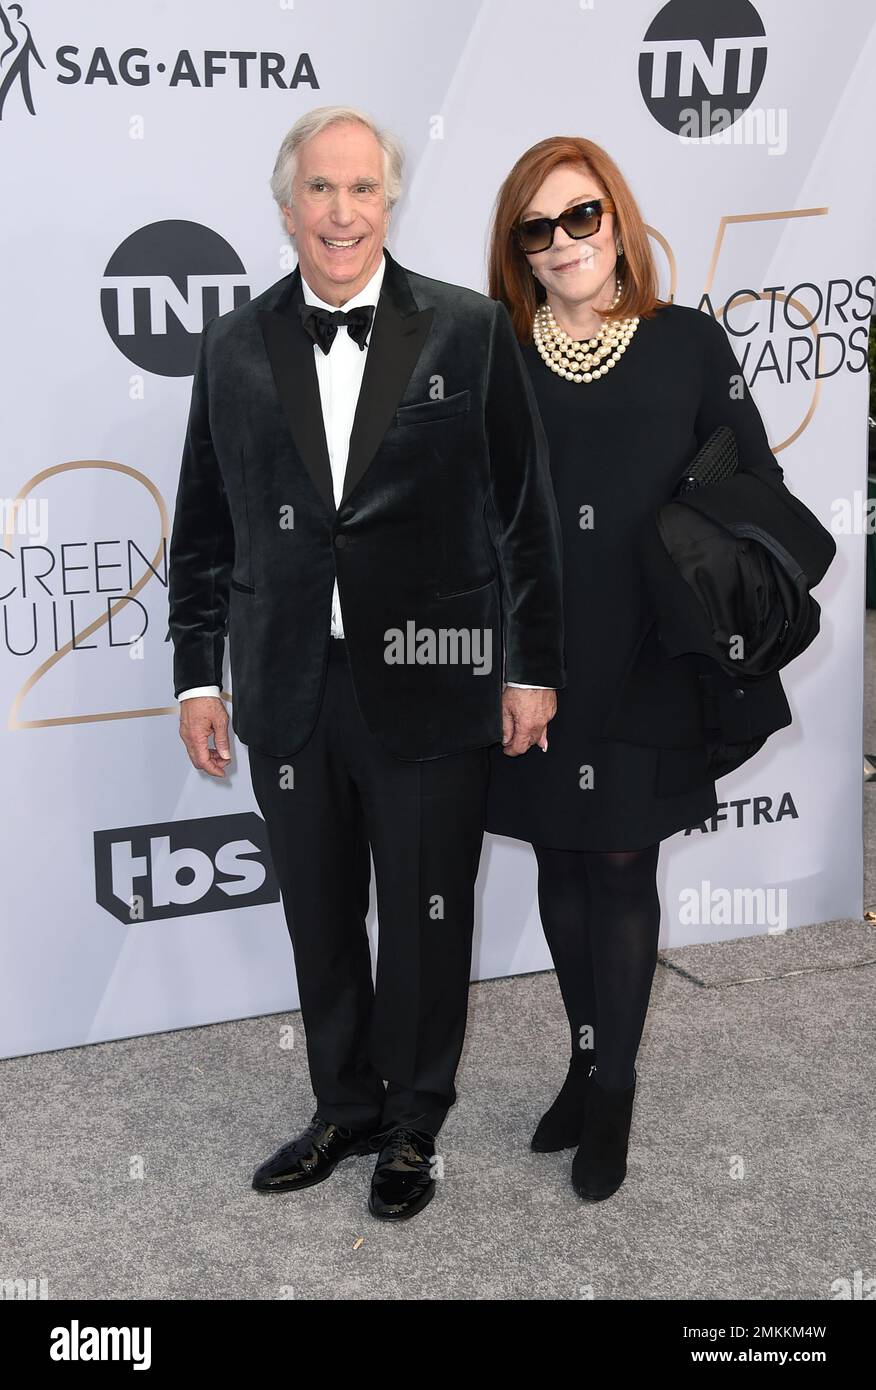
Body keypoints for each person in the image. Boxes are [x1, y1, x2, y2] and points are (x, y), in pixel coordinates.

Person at [167, 107, 565, 1222]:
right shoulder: (235, 345)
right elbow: (203, 528)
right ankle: (342, 1104)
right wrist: (199, 677)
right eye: (321, 191)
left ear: (389, 202)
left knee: (429, 912)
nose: (342, 213)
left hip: (435, 677)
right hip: (292, 684)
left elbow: (525, 518)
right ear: (288, 204)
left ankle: (414, 1120)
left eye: (363, 190)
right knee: (322, 912)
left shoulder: (469, 328)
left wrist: (528, 666)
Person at [485, 135, 798, 1201]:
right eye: (539, 228)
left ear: (616, 219)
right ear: (517, 250)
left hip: (652, 652)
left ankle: (613, 1086)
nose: (564, 241)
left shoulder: (688, 343)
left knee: (620, 863)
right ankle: (583, 1058)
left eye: (582, 216)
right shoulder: (500, 352)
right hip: (540, 659)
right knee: (562, 863)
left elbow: (753, 479)